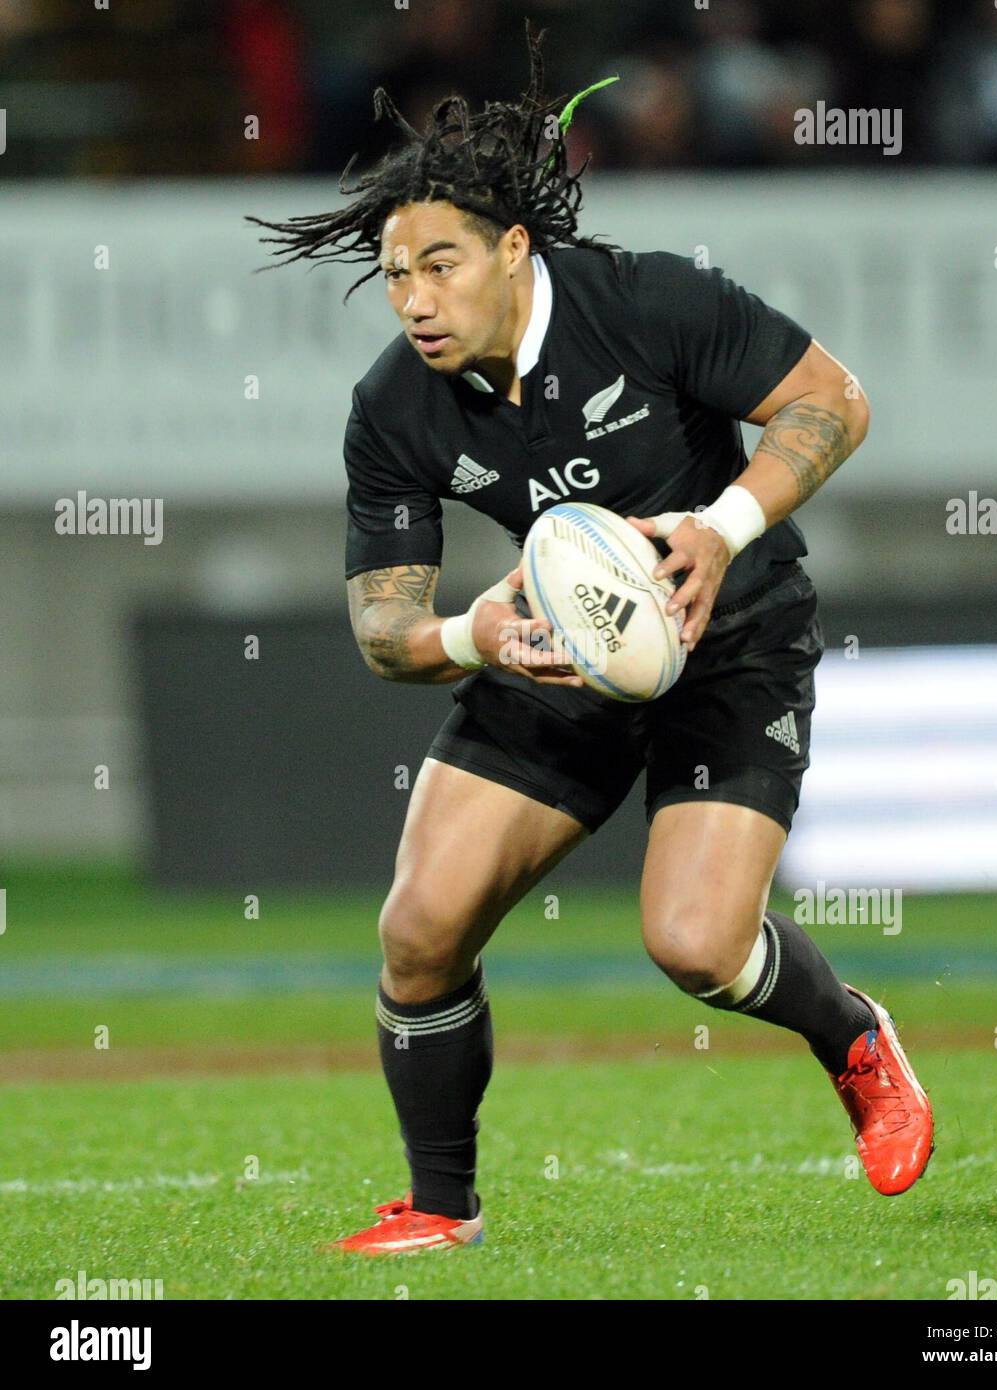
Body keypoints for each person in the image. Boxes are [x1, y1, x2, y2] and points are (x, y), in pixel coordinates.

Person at [250, 22, 933, 1256]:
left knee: (694, 944)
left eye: (441, 265)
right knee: (420, 927)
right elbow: (383, 628)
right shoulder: (394, 407)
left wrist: (722, 527)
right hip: (557, 652)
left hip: (730, 637)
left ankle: (853, 1037)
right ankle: (442, 1205)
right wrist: (477, 632)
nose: (416, 301)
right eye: (396, 276)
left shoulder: (648, 301)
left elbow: (833, 401)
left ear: (514, 249)